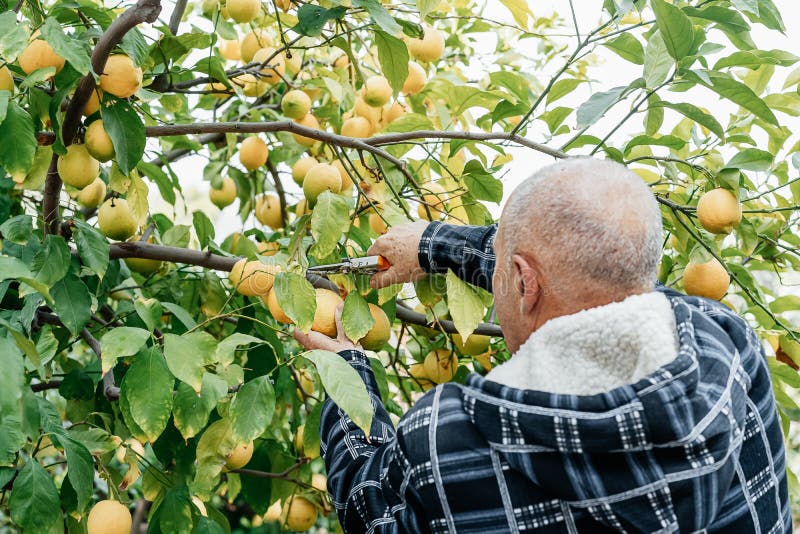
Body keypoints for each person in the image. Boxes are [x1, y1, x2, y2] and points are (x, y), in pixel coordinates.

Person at [294, 158, 790, 533]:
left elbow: (371, 511)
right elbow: (591, 271)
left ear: (522, 281)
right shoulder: (727, 342)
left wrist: (346, 373)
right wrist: (433, 245)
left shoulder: (453, 440)